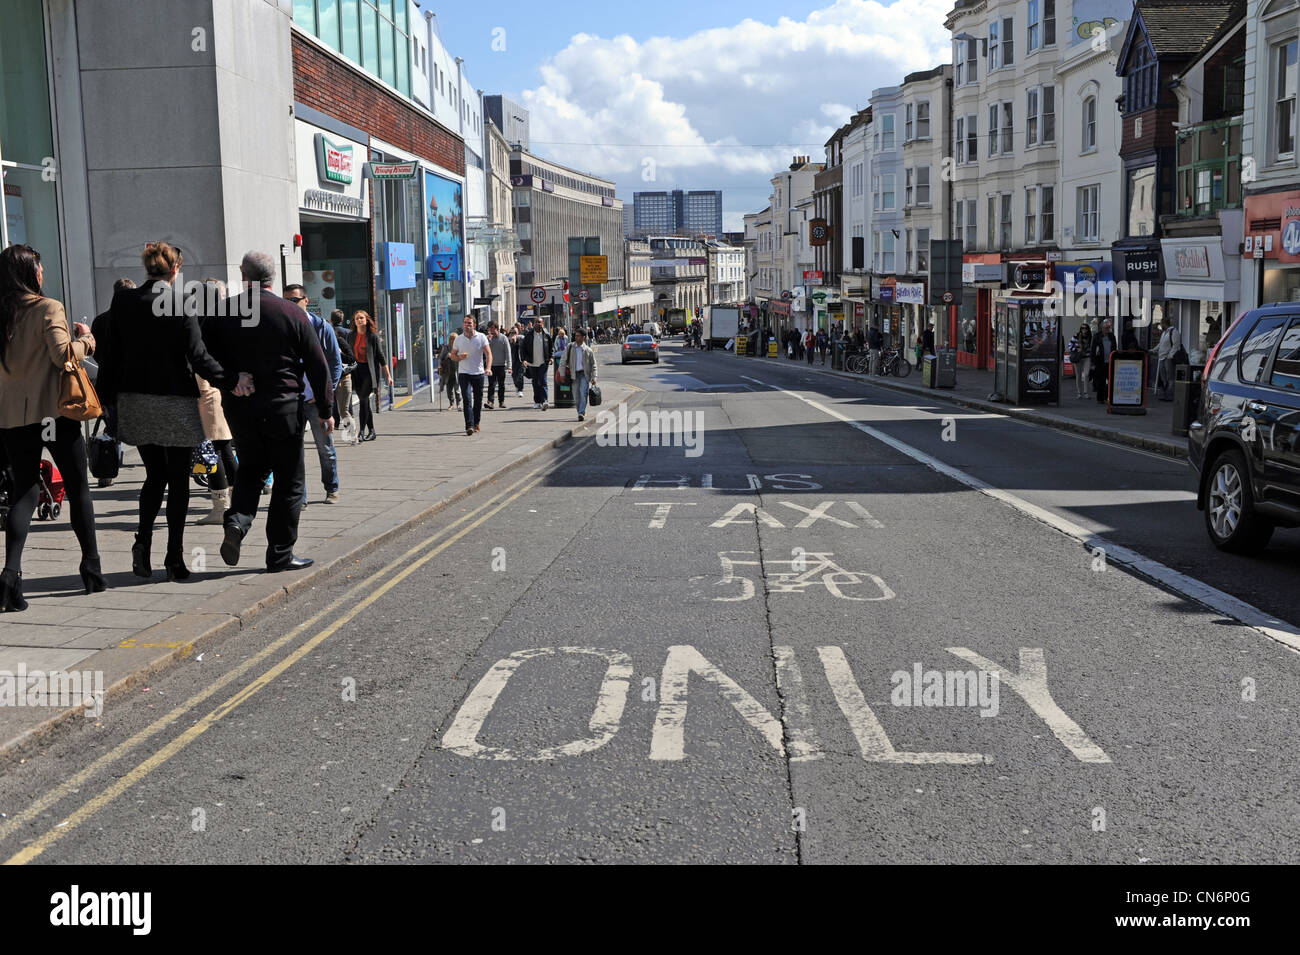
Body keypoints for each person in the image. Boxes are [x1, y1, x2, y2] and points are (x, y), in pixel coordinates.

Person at [108, 241, 245, 581]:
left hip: (135, 400)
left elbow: (112, 354)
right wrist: (232, 380)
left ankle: (142, 545)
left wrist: (108, 402)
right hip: (175, 402)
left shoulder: (123, 301)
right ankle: (175, 558)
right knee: (177, 480)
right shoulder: (181, 303)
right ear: (175, 270)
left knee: (154, 475)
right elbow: (199, 357)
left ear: (147, 268)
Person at [203, 250, 331, 573]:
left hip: (240, 409)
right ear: (273, 279)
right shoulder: (292, 313)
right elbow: (318, 365)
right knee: (289, 482)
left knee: (250, 469)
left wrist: (230, 380)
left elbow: (201, 357)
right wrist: (327, 409)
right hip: (283, 409)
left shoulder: (221, 313)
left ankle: (236, 524)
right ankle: (279, 553)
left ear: (243, 277)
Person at [0, 244, 103, 610]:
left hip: (13, 417)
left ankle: (10, 574)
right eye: (39, 267)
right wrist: (87, 340)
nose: (43, 273)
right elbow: (62, 355)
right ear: (30, 272)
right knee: (77, 487)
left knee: (24, 492)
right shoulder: (48, 307)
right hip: (52, 414)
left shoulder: (3, 312)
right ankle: (91, 568)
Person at [285, 285, 341, 503]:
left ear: (306, 301)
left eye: (295, 300)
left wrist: (326, 392)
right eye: (287, 300)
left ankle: (332, 487)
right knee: (294, 453)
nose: (291, 304)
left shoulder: (321, 327)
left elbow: (335, 364)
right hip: (294, 400)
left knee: (325, 449)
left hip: (317, 400)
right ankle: (302, 497)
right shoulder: (284, 326)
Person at [194, 278, 239, 524]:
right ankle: (236, 500)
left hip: (207, 391)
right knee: (223, 448)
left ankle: (221, 507)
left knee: (213, 452)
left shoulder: (201, 323)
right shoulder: (226, 319)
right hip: (221, 390)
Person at [89, 276, 136, 488]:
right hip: (132, 384)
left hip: (108, 384)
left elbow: (96, 354)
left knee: (112, 429)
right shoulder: (137, 320)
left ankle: (106, 469)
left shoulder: (100, 320)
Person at [350, 310, 390, 441]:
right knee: (365, 402)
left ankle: (361, 432)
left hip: (369, 371)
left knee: (363, 399)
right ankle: (372, 431)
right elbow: (347, 354)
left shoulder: (372, 336)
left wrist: (388, 376)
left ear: (366, 320)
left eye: (361, 318)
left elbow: (380, 356)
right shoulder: (350, 336)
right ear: (354, 322)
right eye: (357, 319)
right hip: (356, 371)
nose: (359, 320)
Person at [449, 314, 490, 436]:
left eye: (469, 323)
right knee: (467, 399)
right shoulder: (458, 339)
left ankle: (476, 421)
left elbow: (489, 354)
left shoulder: (481, 337)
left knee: (478, 400)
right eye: (465, 323)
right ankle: (469, 425)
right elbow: (452, 356)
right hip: (464, 373)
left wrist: (488, 368)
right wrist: (459, 357)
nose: (467, 325)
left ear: (474, 325)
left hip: (478, 373)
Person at [558, 326, 598, 422]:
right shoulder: (570, 347)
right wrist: (562, 374)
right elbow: (562, 361)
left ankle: (581, 412)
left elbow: (594, 365)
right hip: (574, 375)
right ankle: (580, 412)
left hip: (584, 375)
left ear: (584, 337)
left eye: (578, 336)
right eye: (575, 336)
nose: (576, 337)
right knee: (576, 395)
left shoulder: (588, 350)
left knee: (583, 393)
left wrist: (594, 377)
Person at [330, 309, 357, 445]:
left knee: (344, 410)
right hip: (332, 380)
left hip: (345, 379)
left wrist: (339, 353)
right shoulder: (325, 346)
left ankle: (353, 436)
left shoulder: (340, 341)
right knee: (335, 409)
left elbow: (352, 358)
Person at [520, 316, 553, 410]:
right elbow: (523, 348)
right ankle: (537, 401)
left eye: (540, 322)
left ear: (542, 324)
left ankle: (545, 401)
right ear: (534, 324)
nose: (539, 324)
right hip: (532, 363)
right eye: (537, 322)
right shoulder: (529, 335)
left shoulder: (546, 334)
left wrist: (551, 357)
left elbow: (551, 347)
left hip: (543, 362)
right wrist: (524, 360)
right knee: (535, 383)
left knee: (543, 381)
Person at [1090, 318, 1119, 403]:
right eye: (1106, 327)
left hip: (1109, 362)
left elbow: (1114, 347)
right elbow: (1093, 349)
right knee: (1101, 381)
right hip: (1100, 362)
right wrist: (1093, 362)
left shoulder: (1111, 336)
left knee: (1111, 380)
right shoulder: (1097, 336)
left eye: (1108, 327)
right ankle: (1100, 398)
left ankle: (1108, 397)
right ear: (1101, 327)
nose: (1107, 329)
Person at [485, 322, 511, 410]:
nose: (490, 330)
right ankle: (490, 402)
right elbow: (484, 351)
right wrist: (488, 341)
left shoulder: (503, 338)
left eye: (492, 328)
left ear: (497, 329)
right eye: (489, 328)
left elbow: (508, 352)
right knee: (491, 385)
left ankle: (501, 401)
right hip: (491, 366)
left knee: (501, 385)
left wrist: (509, 366)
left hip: (501, 365)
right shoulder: (487, 339)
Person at [1155, 318, 1179, 401]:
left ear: (1165, 324)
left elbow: (1176, 345)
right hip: (1161, 357)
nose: (1160, 326)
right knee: (1163, 377)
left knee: (1170, 377)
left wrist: (1170, 355)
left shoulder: (1173, 332)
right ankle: (1165, 394)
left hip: (1168, 358)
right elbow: (1161, 344)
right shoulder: (1164, 333)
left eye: (1161, 324)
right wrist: (1154, 349)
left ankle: (1170, 396)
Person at [1069, 322, 1093, 400]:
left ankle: (1086, 392)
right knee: (1078, 375)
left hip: (1087, 357)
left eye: (1085, 328)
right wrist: (1076, 349)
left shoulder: (1090, 337)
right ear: (1080, 329)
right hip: (1078, 358)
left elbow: (1092, 347)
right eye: (1082, 328)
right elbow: (1070, 345)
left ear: (1088, 329)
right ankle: (1079, 392)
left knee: (1086, 374)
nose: (1084, 330)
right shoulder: (1076, 336)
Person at [508, 326, 525, 398]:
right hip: (512, 361)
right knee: (514, 375)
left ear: (518, 332)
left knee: (520, 375)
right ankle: (517, 386)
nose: (513, 334)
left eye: (514, 332)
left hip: (521, 360)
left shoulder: (521, 338)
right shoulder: (508, 340)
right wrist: (511, 343)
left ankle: (520, 390)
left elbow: (525, 348)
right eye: (511, 332)